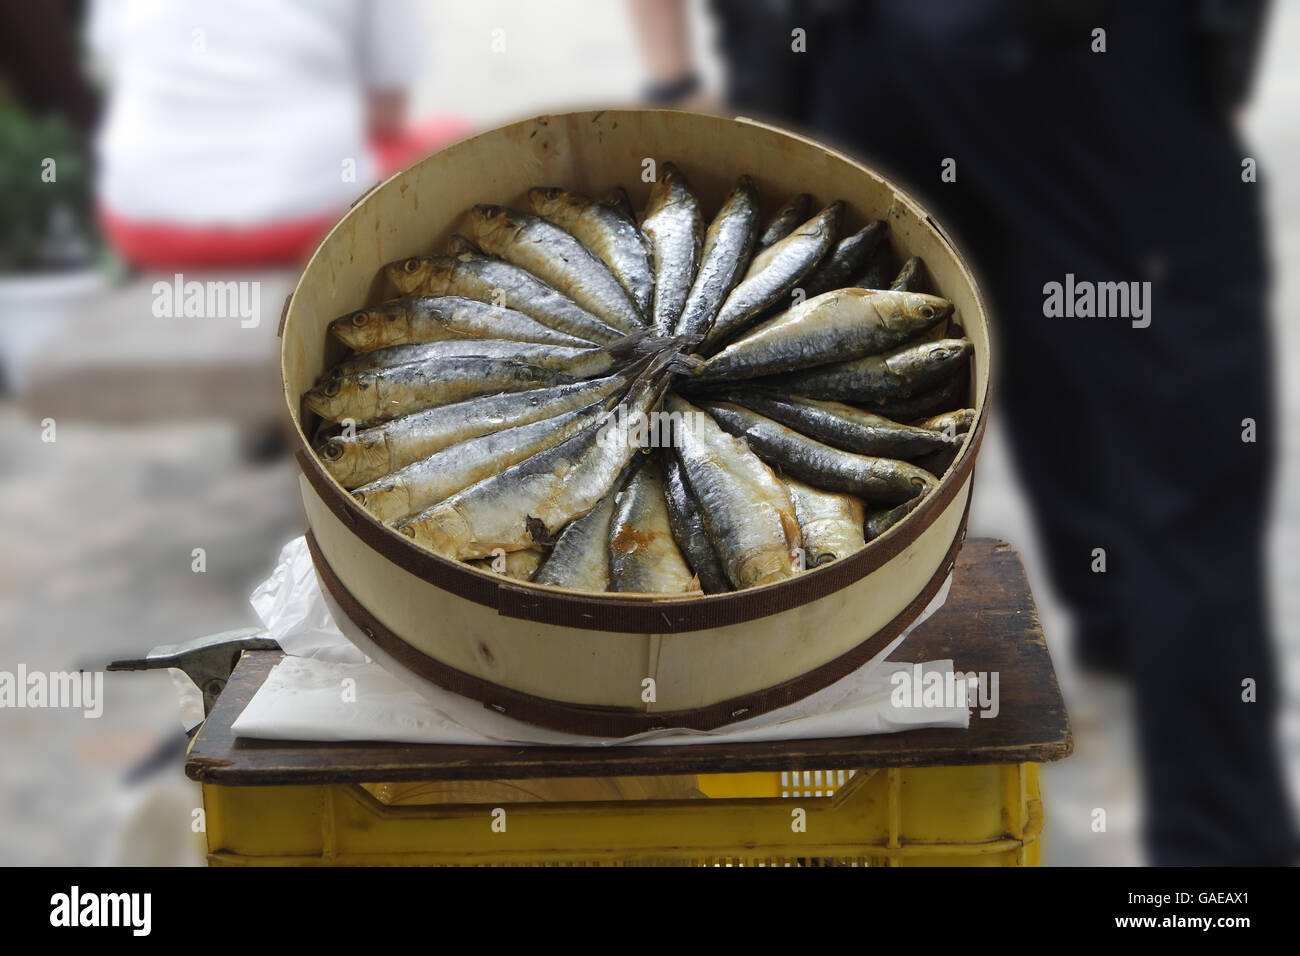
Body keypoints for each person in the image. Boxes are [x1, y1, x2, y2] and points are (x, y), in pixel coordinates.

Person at [630, 0, 1296, 865]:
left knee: (870, 390)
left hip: (857, 45)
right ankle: (1218, 874)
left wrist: (677, 71)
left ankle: (1111, 648)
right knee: (1169, 456)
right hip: (1072, 60)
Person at [85, 0, 464, 268]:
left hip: (144, 222)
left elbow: (115, 60)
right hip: (308, 220)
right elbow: (387, 114)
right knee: (454, 137)